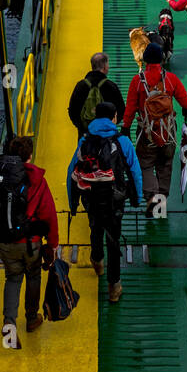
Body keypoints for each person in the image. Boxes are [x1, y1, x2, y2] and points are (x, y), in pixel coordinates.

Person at [0, 135, 58, 348]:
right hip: (30, 242)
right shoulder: (37, 180)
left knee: (13, 278)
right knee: (33, 276)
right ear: (29, 156)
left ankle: (9, 321)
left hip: (6, 240)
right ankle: (32, 318)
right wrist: (52, 244)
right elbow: (49, 215)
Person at [67, 102, 141, 303]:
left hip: (90, 196)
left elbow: (71, 173)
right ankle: (114, 286)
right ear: (114, 118)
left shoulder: (84, 141)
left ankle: (97, 260)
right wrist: (137, 197)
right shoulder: (122, 141)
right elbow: (134, 171)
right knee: (114, 238)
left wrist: (73, 202)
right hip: (114, 198)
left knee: (95, 227)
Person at [122, 42, 187, 218]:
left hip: (146, 133)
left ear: (145, 61)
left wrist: (126, 128)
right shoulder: (170, 79)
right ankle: (161, 204)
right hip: (167, 132)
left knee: (145, 165)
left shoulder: (137, 81)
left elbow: (130, 108)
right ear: (161, 59)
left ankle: (151, 196)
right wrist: (185, 111)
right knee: (165, 166)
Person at [68, 52, 125, 138]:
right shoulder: (111, 86)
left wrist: (82, 128)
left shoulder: (80, 86)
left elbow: (72, 111)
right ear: (105, 67)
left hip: (86, 137)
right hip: (107, 137)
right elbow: (121, 109)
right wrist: (110, 126)